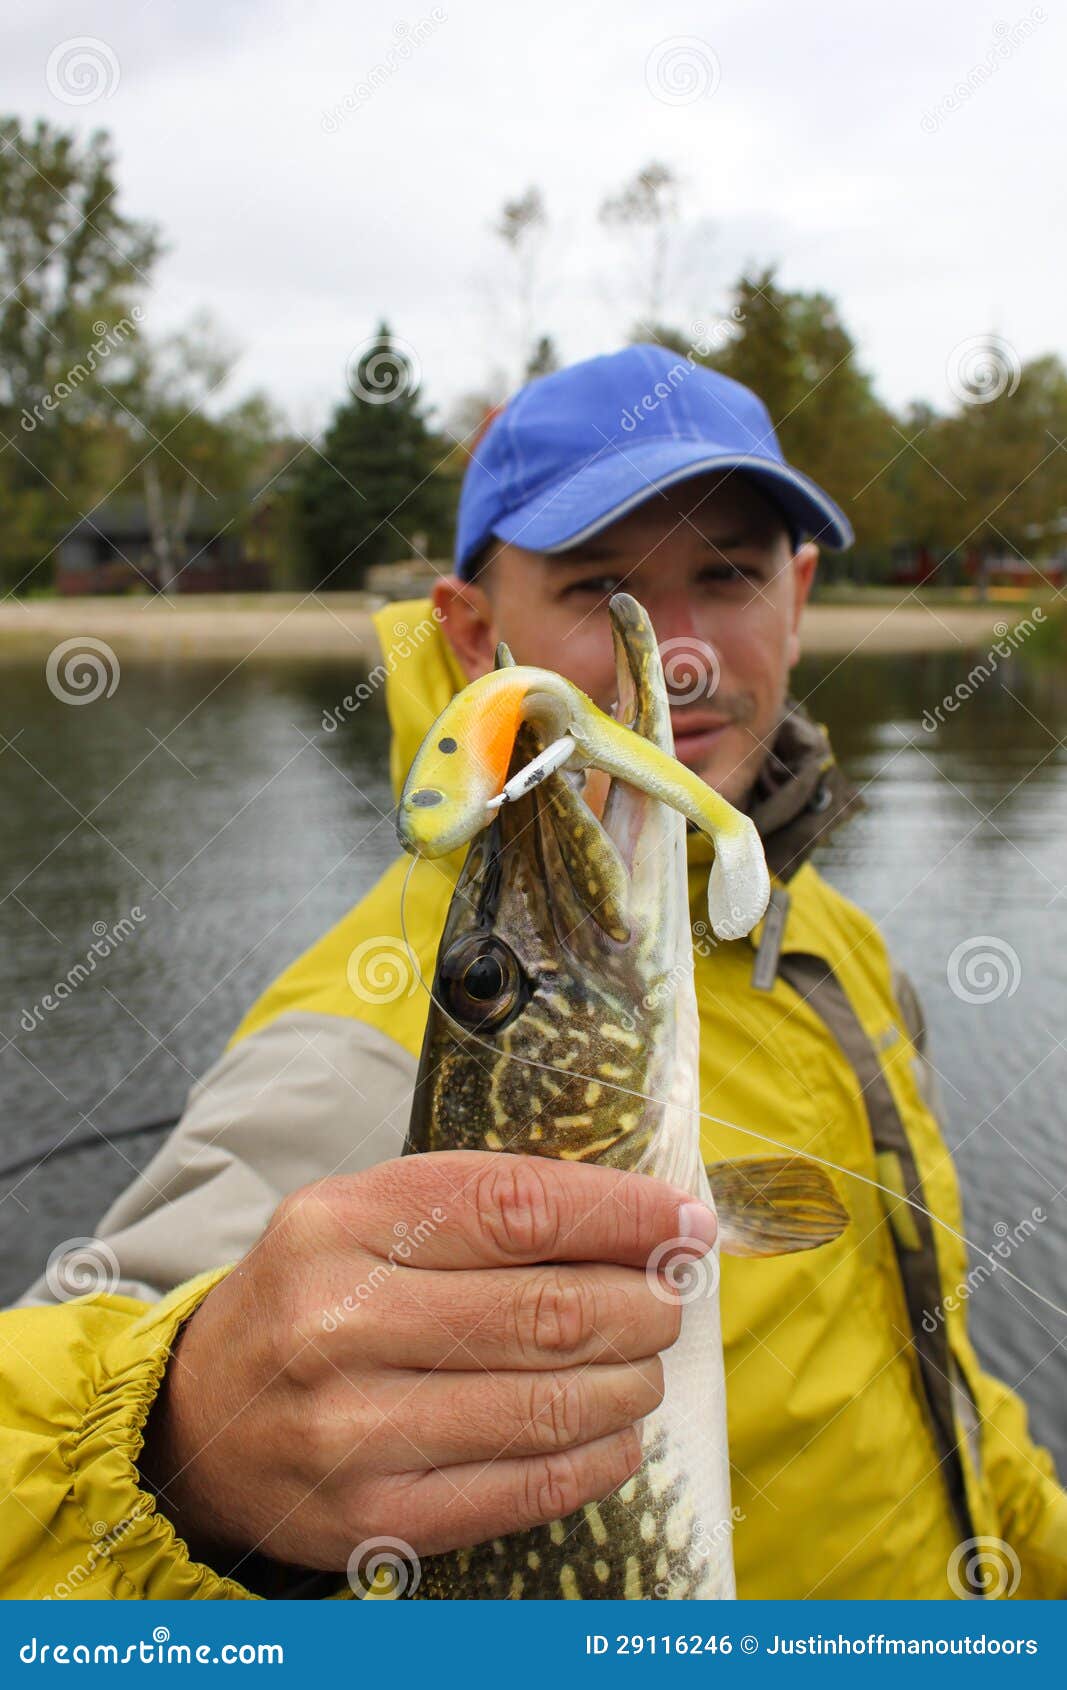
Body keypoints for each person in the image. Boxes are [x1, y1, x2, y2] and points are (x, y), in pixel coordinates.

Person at [3, 347, 1066, 1601]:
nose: (676, 657)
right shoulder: (366, 1033)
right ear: (469, 630)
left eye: (727, 573)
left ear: (799, 594)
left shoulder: (825, 934)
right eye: (599, 585)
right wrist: (187, 1452)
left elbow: (941, 1376)